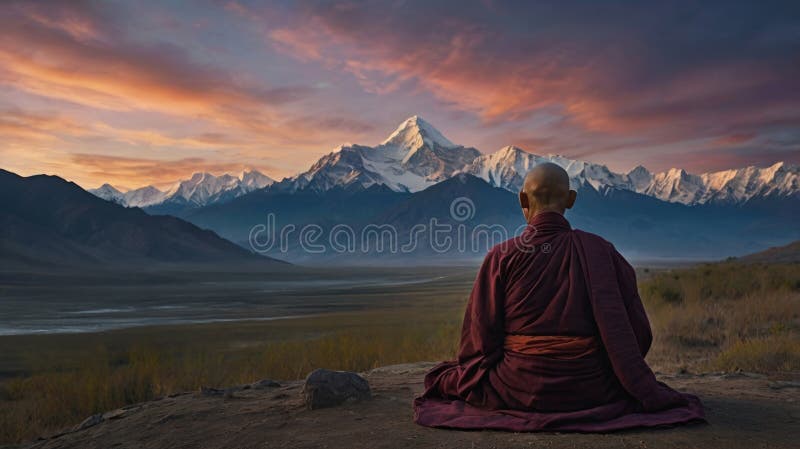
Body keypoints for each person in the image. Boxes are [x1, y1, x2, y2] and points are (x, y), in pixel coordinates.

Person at [413, 163, 705, 432]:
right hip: (592, 387)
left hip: (515, 385)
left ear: (523, 201)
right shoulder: (601, 251)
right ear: (571, 199)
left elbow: (480, 341)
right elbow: (635, 333)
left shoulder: (502, 255)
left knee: (444, 377)